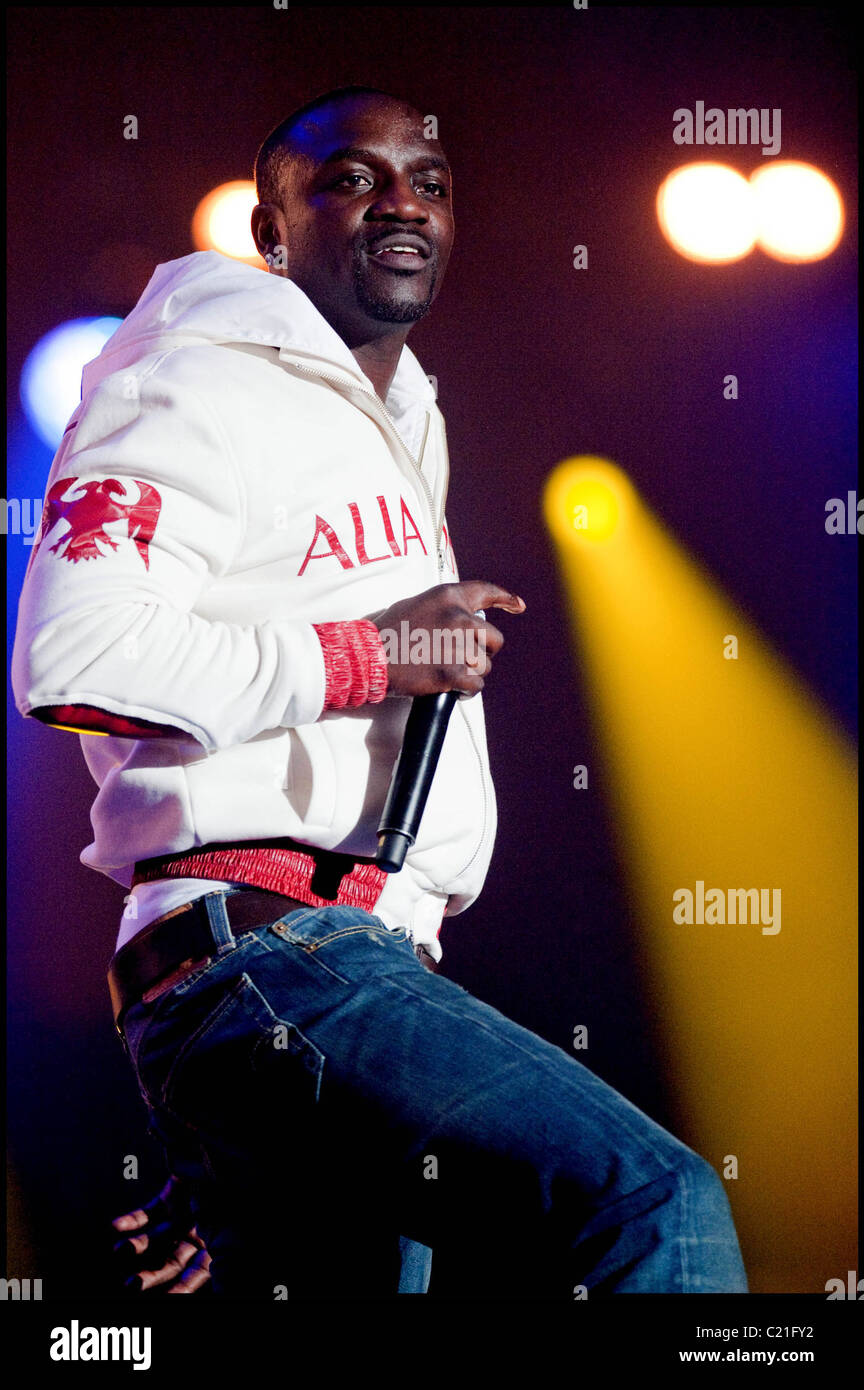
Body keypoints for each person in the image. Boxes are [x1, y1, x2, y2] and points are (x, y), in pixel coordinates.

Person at [12, 85, 748, 1297]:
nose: (402, 199)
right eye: (352, 176)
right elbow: (70, 655)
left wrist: (263, 1125)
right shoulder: (196, 371)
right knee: (651, 1200)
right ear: (269, 229)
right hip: (275, 959)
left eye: (430, 180)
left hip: (330, 977)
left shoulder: (401, 423)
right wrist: (368, 653)